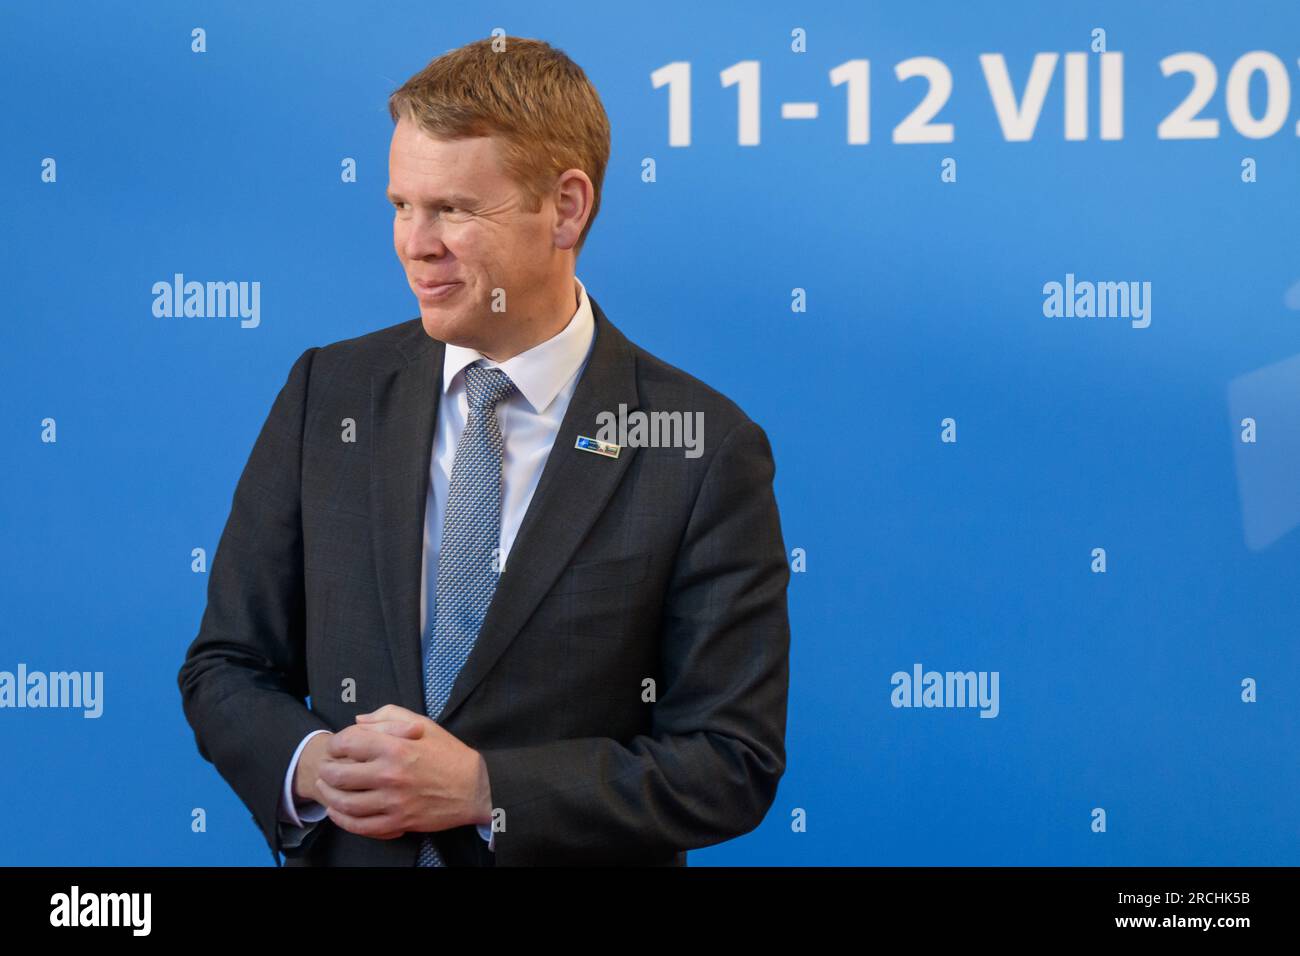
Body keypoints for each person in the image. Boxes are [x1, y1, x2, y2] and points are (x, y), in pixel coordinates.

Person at [177, 35, 790, 866]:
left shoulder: (704, 449)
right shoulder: (329, 393)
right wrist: (315, 768)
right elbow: (228, 664)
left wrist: (484, 790)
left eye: (453, 210)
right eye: (401, 205)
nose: (413, 243)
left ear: (566, 208)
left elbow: (729, 763)